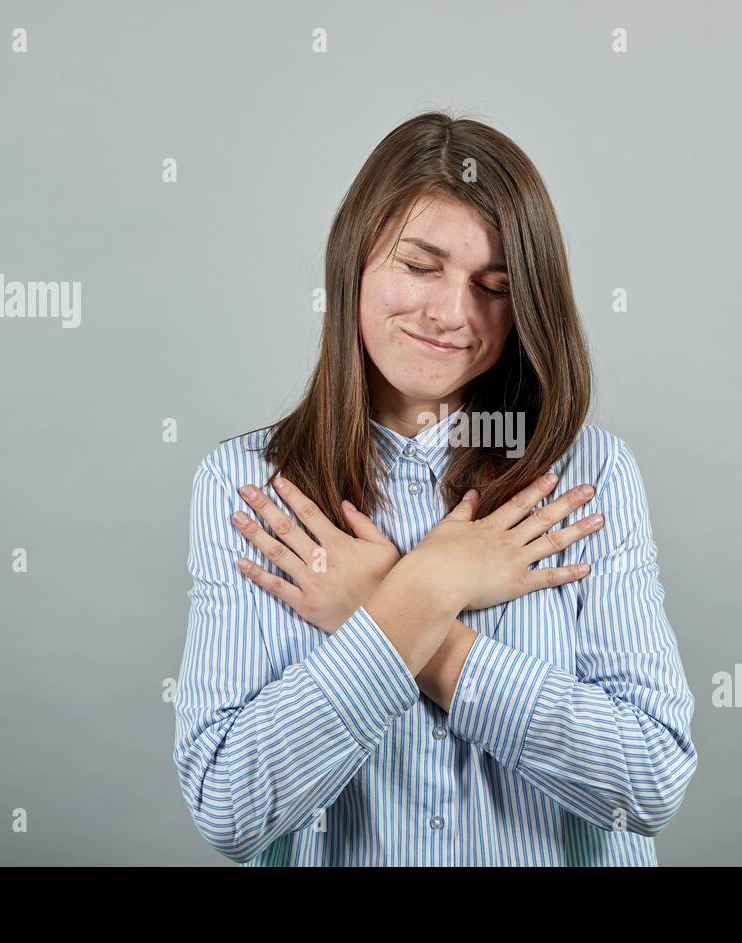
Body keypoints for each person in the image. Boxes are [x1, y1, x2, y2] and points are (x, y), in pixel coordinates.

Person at [173, 111, 698, 866]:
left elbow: (648, 782)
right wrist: (427, 590)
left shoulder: (591, 476)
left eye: (493, 287)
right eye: (419, 267)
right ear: (354, 257)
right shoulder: (248, 487)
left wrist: (402, 611)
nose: (452, 314)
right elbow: (230, 805)